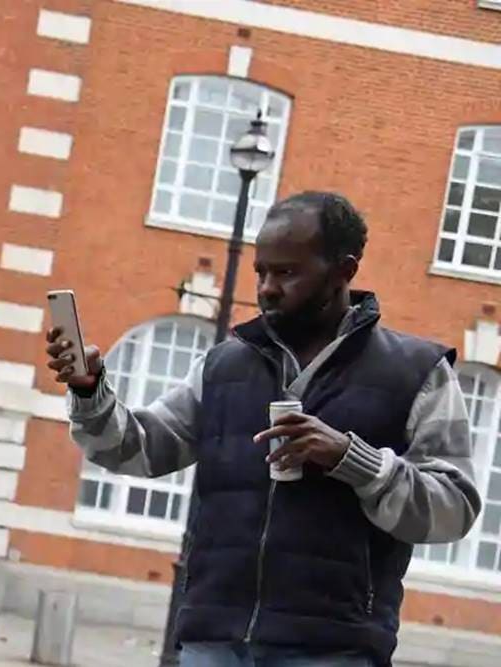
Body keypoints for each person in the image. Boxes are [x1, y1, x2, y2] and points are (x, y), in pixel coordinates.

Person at [45, 191, 481, 667]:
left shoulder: (416, 372)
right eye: (261, 272)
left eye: (287, 272)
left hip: (333, 651)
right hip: (212, 645)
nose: (268, 287)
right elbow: (140, 448)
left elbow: (453, 509)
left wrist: (351, 460)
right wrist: (90, 393)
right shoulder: (224, 364)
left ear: (344, 269)